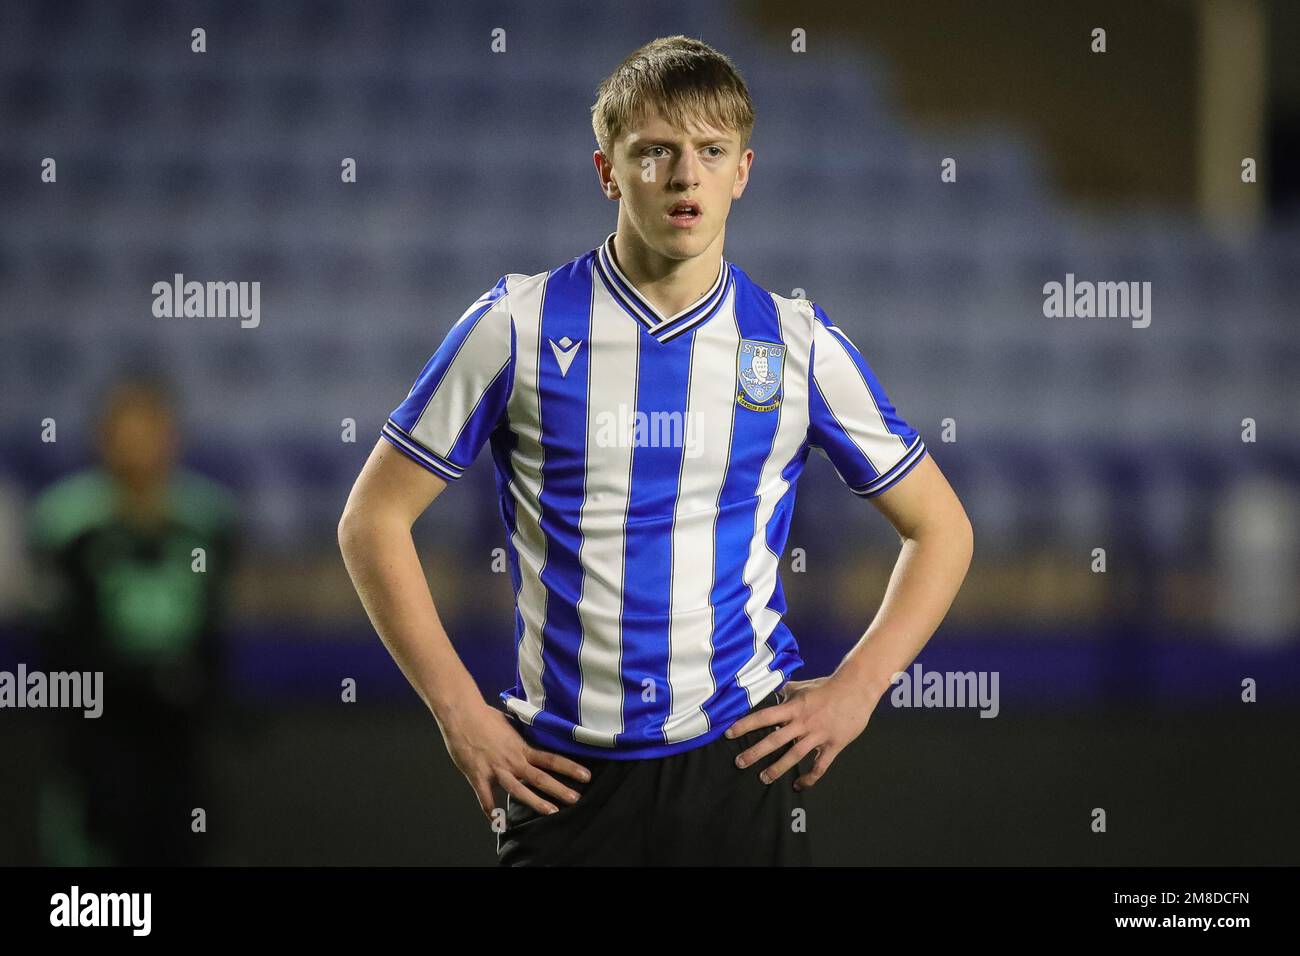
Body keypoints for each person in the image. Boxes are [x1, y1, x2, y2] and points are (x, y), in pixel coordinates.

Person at [338, 35, 973, 866]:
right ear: (608, 171)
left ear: (743, 171)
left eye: (712, 152)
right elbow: (371, 520)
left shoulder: (794, 346)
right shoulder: (515, 326)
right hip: (563, 775)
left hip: (736, 763)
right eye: (656, 153)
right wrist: (458, 713)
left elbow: (942, 528)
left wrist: (858, 689)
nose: (686, 176)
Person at [29, 373, 238, 865]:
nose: (138, 449)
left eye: (150, 433)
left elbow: (214, 624)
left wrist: (195, 687)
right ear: (103, 439)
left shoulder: (206, 520)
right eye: (126, 433)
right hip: (99, 729)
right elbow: (58, 635)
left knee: (182, 836)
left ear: (172, 438)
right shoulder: (67, 523)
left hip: (180, 731)